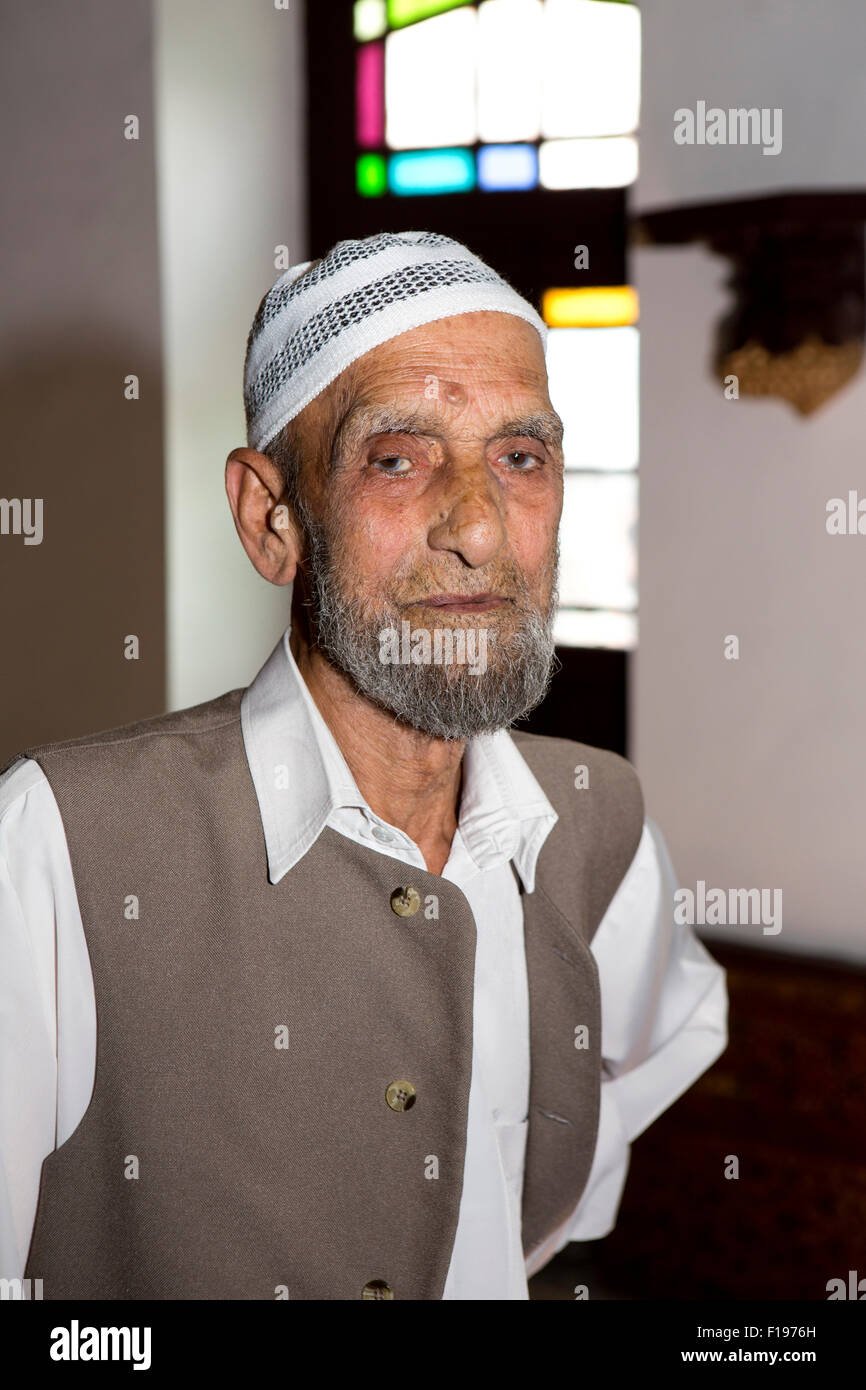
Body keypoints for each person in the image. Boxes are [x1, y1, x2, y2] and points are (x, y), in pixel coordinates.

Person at [0, 231, 727, 1300]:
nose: (479, 527)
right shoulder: (62, 843)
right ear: (269, 518)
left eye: (518, 458)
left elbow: (635, 1072)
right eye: (398, 457)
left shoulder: (595, 823)